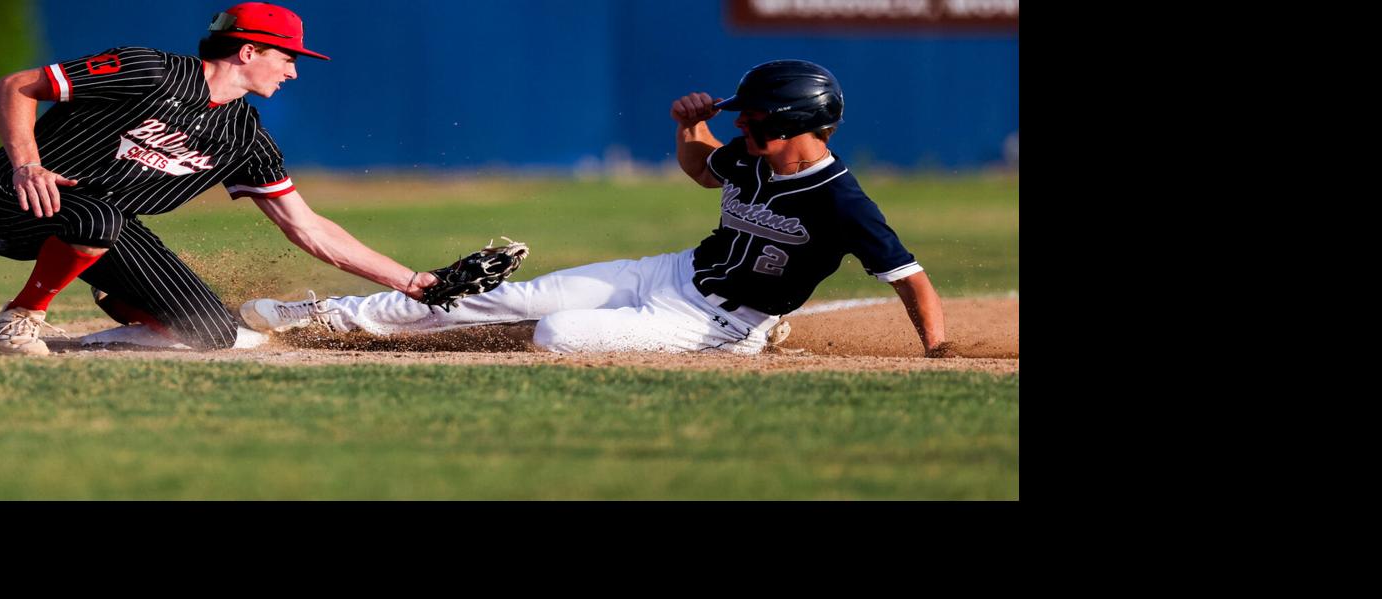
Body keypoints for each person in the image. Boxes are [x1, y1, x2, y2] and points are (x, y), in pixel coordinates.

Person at [239, 60, 950, 356]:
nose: (741, 127)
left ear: (796, 126)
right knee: (504, 296)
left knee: (557, 334)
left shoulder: (841, 201)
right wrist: (688, 125)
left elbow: (909, 277)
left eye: (754, 119)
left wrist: (938, 349)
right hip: (667, 274)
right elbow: (703, 171)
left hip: (719, 321)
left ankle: (755, 344)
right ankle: (330, 314)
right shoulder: (754, 157)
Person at [0, 3, 444, 355]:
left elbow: (307, 227)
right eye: (288, 58)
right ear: (249, 50)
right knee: (97, 219)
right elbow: (15, 85)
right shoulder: (150, 71)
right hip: (14, 205)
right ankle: (23, 315)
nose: (294, 72)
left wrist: (412, 282)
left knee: (210, 333)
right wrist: (27, 164)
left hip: (107, 226)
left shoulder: (243, 136)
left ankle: (119, 294)